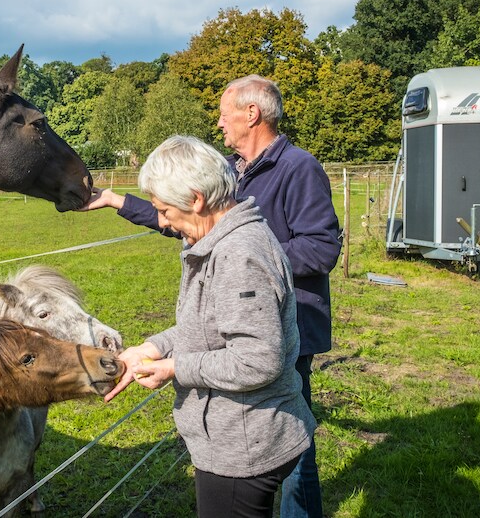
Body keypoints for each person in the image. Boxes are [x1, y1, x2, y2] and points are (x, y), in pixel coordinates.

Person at [84, 75, 340, 518]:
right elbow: (180, 212)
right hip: (240, 339)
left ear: (251, 113)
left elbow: (319, 249)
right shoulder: (231, 174)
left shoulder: (295, 173)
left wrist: (247, 260)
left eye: (224, 114)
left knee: (287, 435)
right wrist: (114, 200)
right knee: (285, 432)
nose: (219, 123)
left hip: (268, 362)